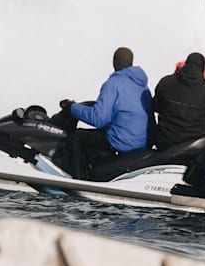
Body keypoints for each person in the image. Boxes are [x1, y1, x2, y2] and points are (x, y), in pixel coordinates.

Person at [60, 46, 151, 179]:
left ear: (114, 62)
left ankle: (79, 181)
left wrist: (71, 107)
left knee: (75, 137)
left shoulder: (113, 83)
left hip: (120, 142)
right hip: (139, 143)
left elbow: (98, 119)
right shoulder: (143, 86)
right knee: (100, 133)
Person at [153, 51, 205, 148]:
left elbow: (155, 106)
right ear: (202, 68)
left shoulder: (166, 82)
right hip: (194, 145)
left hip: (165, 144)